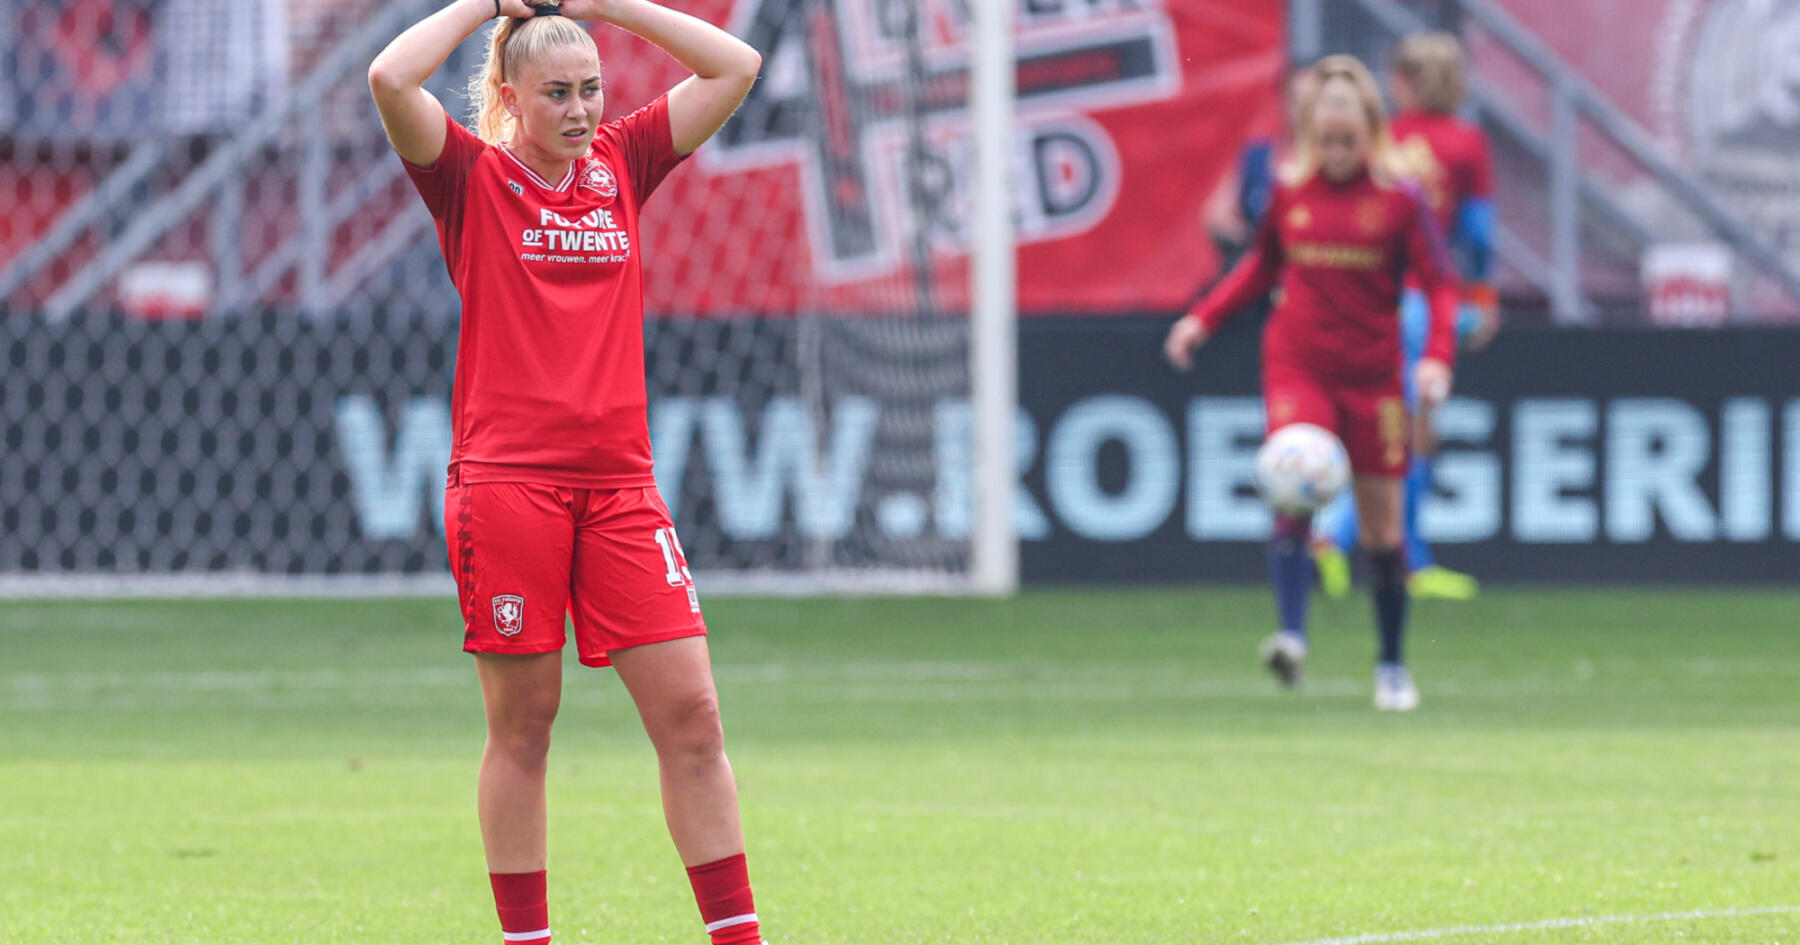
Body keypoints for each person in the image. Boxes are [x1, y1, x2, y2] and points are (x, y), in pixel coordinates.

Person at [368, 3, 763, 944]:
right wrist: (486, 2)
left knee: (695, 717)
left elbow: (736, 66)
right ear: (510, 98)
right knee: (525, 728)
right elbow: (389, 78)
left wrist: (604, 6)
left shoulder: (623, 161)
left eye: (592, 89)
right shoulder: (471, 177)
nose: (582, 109)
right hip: (508, 488)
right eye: (557, 93)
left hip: (623, 489)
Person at [1163, 55, 1460, 711]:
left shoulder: (1400, 199)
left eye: (1348, 140)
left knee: (1383, 530)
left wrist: (1437, 356)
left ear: (1371, 131)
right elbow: (1259, 266)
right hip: (1299, 363)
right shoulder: (1289, 192)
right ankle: (1292, 637)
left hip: (1374, 375)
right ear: (1309, 134)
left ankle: (1391, 665)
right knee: (1293, 482)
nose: (1337, 152)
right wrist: (1201, 319)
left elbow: (1441, 284)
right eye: (1326, 140)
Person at [1312, 31, 1500, 603]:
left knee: (1380, 426)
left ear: (1405, 81)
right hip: (1426, 302)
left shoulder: (1379, 139)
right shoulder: (1466, 143)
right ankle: (1366, 542)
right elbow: (1479, 233)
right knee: (1412, 434)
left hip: (1371, 297)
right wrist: (1481, 295)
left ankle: (1364, 540)